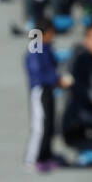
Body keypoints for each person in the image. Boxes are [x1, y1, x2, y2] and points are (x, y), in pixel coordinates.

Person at [25, 20, 61, 171]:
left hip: (49, 89)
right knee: (40, 125)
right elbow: (38, 73)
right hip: (40, 89)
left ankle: (46, 155)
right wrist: (57, 79)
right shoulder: (36, 48)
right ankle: (32, 159)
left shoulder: (47, 48)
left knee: (50, 124)